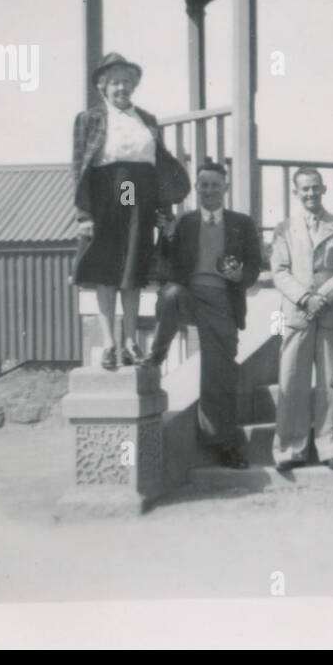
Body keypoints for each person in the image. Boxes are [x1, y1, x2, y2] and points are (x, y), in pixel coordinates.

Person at [72, 52, 190, 369]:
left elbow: (159, 169)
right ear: (102, 87)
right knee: (107, 268)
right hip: (106, 191)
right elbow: (78, 166)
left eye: (126, 81)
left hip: (136, 194)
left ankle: (130, 341)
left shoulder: (147, 120)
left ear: (134, 85)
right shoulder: (89, 120)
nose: (121, 88)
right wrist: (84, 215)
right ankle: (110, 343)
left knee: (132, 269)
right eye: (114, 82)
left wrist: (164, 211)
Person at [142, 159, 260, 469]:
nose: (209, 191)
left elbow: (254, 267)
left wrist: (240, 276)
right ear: (197, 188)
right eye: (204, 185)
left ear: (225, 188)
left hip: (223, 301)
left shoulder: (241, 223)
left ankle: (224, 444)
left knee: (219, 373)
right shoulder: (183, 222)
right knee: (169, 294)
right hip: (189, 296)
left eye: (215, 185)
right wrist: (165, 237)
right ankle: (157, 354)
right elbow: (161, 266)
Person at [271, 168, 333, 472]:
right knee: (292, 379)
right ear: (296, 192)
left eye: (316, 188)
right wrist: (306, 298)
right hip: (297, 312)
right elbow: (279, 271)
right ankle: (290, 448)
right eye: (305, 189)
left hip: (331, 312)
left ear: (324, 190)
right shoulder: (284, 228)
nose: (311, 194)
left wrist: (324, 296)